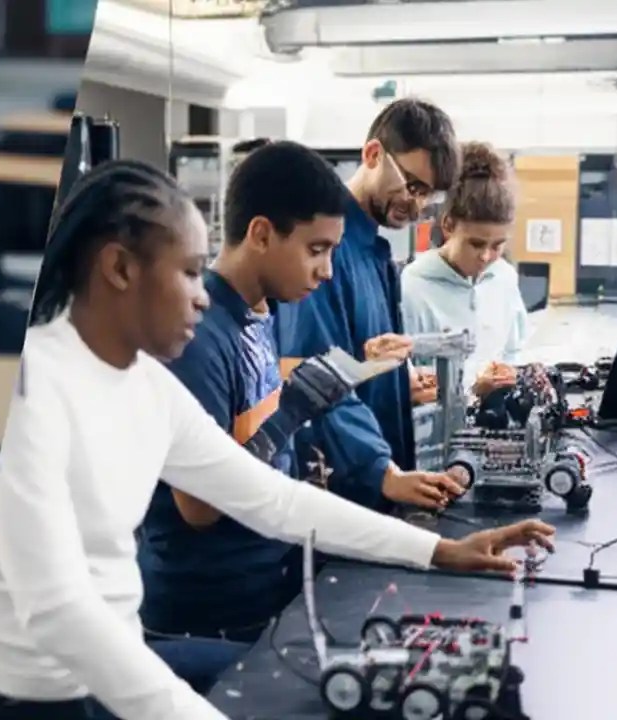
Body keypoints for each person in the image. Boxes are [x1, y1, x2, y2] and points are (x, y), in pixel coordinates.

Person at [0, 158, 554, 720]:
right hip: (22, 699)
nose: (201, 296)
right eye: (189, 272)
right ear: (120, 269)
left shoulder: (144, 385)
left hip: (109, 670)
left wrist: (440, 551)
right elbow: (58, 612)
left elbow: (274, 499)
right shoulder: (32, 393)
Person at [136, 140, 349, 693]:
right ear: (260, 234)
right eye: (316, 249)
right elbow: (200, 507)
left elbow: (246, 429)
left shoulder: (257, 315)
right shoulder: (197, 336)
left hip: (261, 594)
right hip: (207, 619)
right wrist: (289, 415)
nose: (327, 271)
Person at [276, 97, 467, 514]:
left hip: (378, 485)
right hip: (341, 494)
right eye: (412, 186)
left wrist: (397, 382)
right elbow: (311, 382)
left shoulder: (374, 252)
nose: (417, 205)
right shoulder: (327, 252)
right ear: (374, 155)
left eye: (428, 195)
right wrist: (381, 471)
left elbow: (356, 361)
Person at [401, 141, 527, 399]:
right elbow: (405, 383)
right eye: (476, 244)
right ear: (448, 225)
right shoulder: (412, 287)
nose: (486, 256)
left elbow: (514, 353)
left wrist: (507, 376)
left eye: (497, 245)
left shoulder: (504, 278)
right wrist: (471, 391)